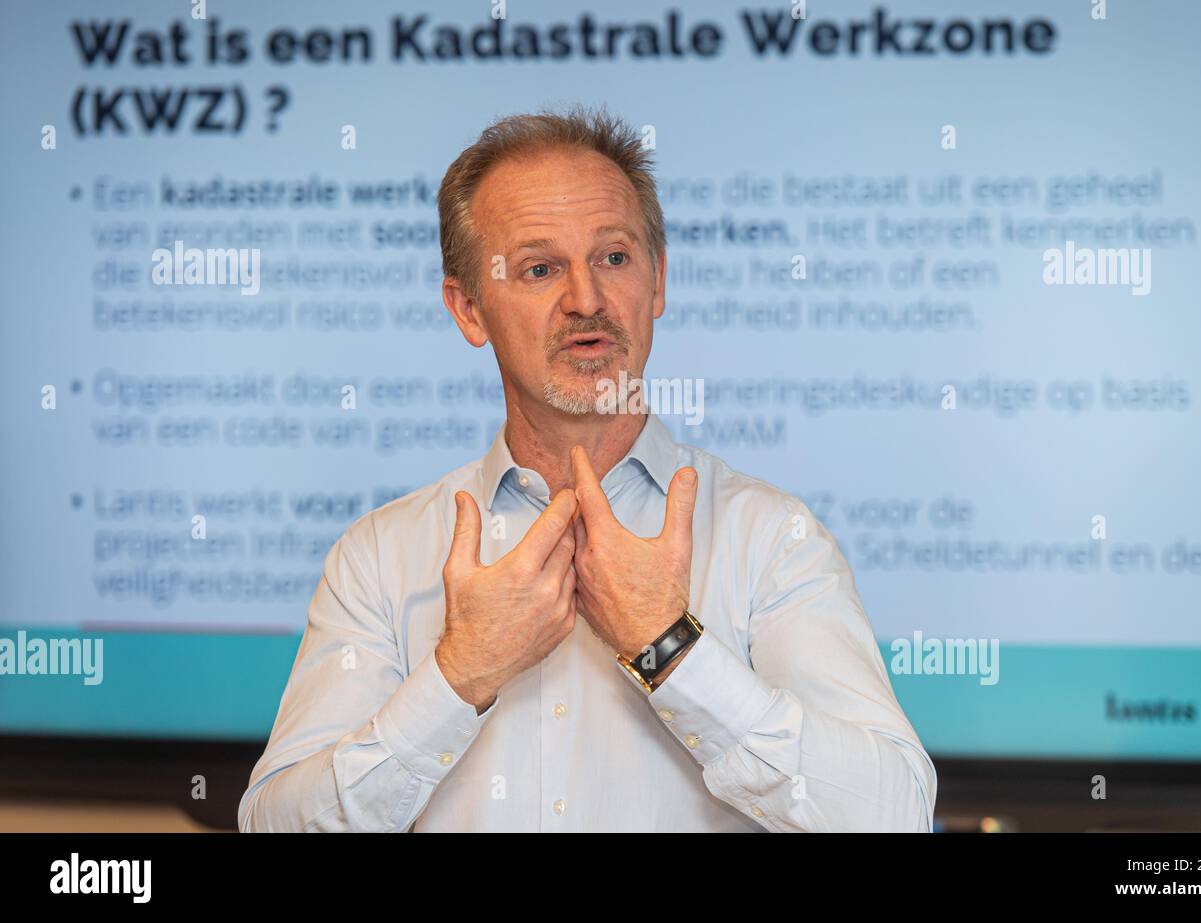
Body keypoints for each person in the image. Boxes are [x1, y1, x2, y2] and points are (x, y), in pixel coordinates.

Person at [238, 105, 937, 832]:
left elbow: (894, 813)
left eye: (613, 257)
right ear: (468, 309)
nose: (586, 299)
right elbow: (276, 824)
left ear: (657, 281)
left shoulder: (770, 538)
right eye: (540, 268)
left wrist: (670, 647)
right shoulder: (379, 558)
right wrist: (459, 674)